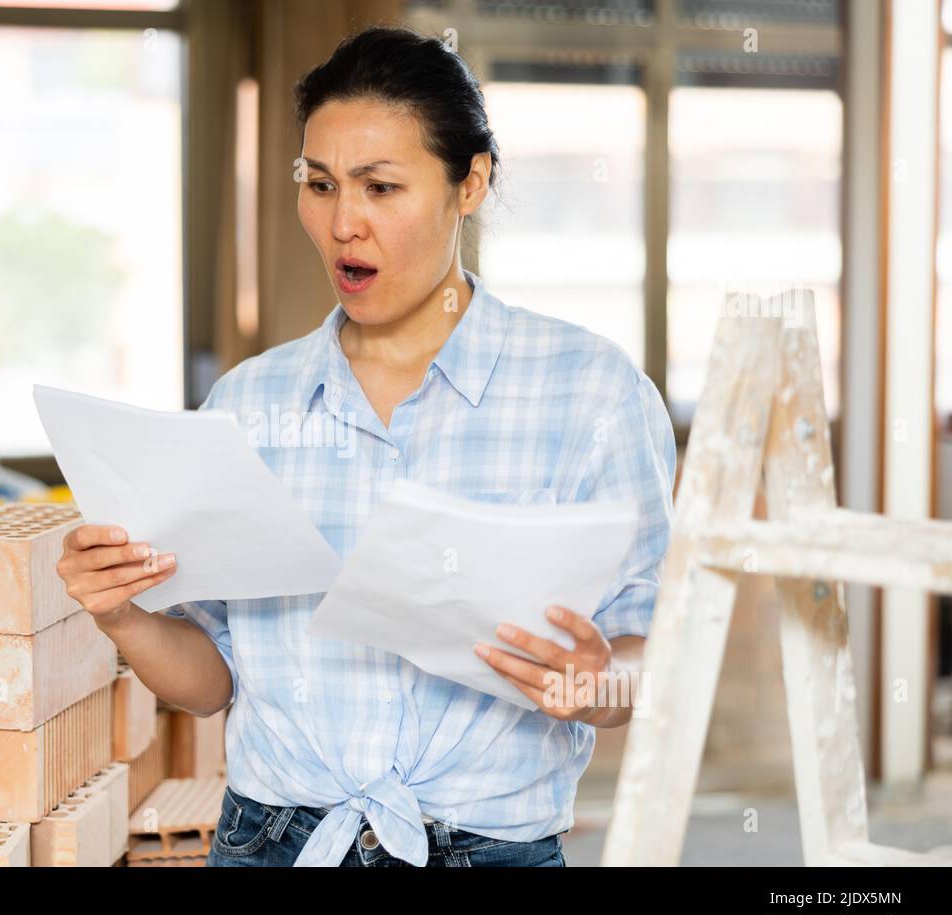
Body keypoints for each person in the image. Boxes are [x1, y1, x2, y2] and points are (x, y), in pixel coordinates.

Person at [55, 25, 676, 867]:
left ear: (471, 185)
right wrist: (122, 614)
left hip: (488, 850)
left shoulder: (591, 394)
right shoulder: (249, 403)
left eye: (381, 187)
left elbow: (653, 659)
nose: (344, 222)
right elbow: (212, 681)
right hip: (270, 841)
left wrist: (591, 683)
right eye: (319, 184)